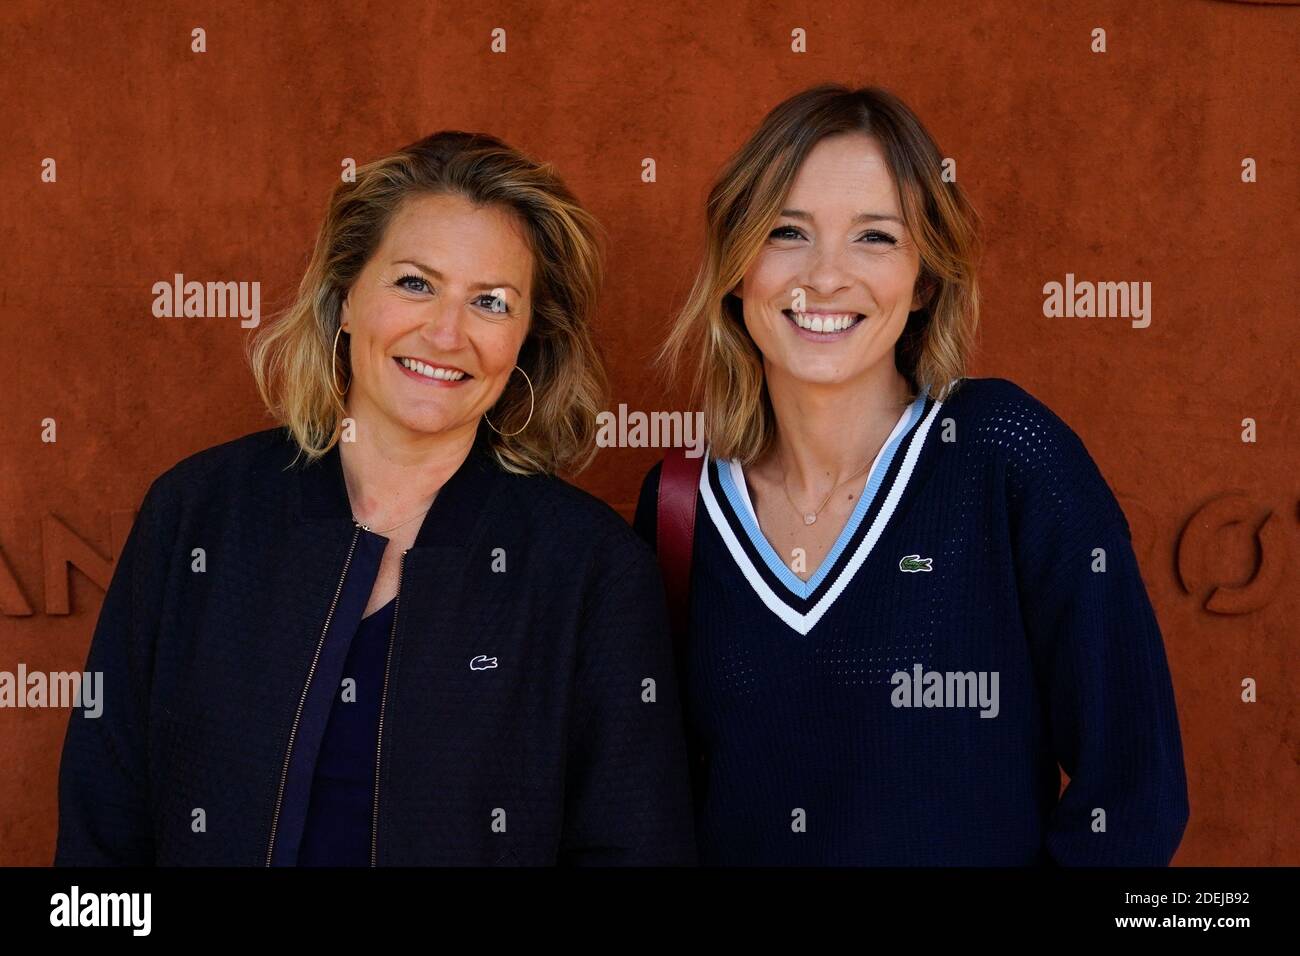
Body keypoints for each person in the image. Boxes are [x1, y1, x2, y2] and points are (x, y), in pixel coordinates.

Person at [55, 130, 695, 866]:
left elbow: (634, 847)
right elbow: (99, 836)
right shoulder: (196, 515)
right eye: (415, 283)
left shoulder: (588, 569)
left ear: (528, 339)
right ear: (346, 296)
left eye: (491, 302)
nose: (447, 332)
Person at [635, 84, 1189, 865]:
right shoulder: (679, 508)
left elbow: (1136, 795)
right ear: (737, 264)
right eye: (787, 232)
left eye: (875, 238)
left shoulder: (1006, 457)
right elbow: (655, 812)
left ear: (926, 278)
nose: (825, 277)